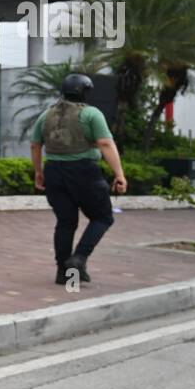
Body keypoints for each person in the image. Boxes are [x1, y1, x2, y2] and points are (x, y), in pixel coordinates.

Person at [30, 72, 127, 284]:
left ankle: (62, 273)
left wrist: (38, 172)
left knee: (66, 222)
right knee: (103, 217)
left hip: (54, 171)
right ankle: (79, 258)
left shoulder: (46, 115)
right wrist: (119, 174)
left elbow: (35, 145)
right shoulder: (91, 114)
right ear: (85, 92)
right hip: (84, 172)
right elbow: (105, 143)